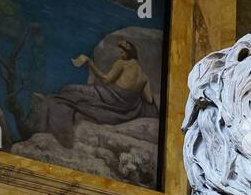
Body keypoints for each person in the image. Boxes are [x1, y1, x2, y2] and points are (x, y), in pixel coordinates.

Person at [23, 39, 157, 149]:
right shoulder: (144, 77)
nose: (119, 54)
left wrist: (89, 63)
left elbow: (105, 80)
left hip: (110, 96)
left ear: (129, 53)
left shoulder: (122, 64)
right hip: (125, 105)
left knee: (70, 89)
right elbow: (150, 100)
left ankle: (48, 102)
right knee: (76, 91)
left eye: (122, 52)